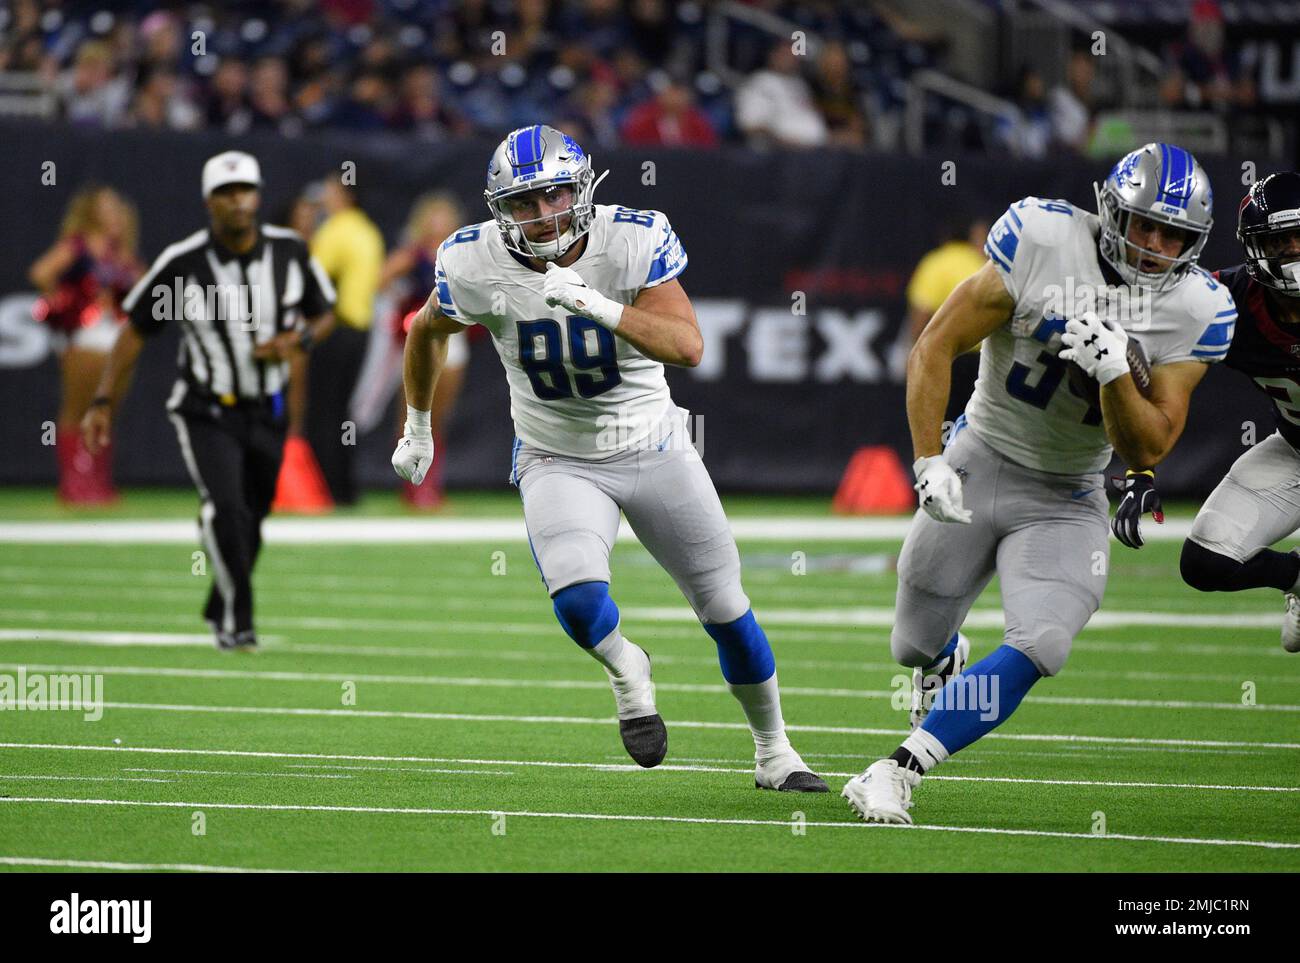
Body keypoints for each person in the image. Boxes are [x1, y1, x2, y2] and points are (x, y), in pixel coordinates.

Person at [392, 124, 827, 791]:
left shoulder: (633, 238)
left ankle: (775, 750)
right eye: (523, 203)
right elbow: (425, 331)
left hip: (652, 444)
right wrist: (419, 425)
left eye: (555, 195)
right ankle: (628, 667)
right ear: (498, 209)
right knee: (577, 597)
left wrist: (599, 306)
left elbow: (687, 345)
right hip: (555, 453)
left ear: (583, 188)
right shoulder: (472, 261)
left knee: (725, 606)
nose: (542, 216)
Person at [842, 143, 1237, 823]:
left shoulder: (1196, 307)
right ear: (1111, 210)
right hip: (983, 453)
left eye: (1174, 235)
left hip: (1069, 492)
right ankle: (943, 657)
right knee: (910, 642)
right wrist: (928, 458)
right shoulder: (1041, 237)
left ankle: (898, 768)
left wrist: (1116, 372)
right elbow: (935, 344)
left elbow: (1150, 443)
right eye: (1143, 224)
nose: (1154, 246)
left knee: (1043, 640)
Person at [81, 151, 335, 650]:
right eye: (226, 193)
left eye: (245, 191)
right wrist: (104, 399)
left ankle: (220, 597)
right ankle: (237, 620)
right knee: (227, 508)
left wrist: (297, 341)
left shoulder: (288, 252)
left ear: (258, 196)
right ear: (208, 201)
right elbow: (134, 333)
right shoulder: (185, 263)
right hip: (206, 408)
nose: (238, 202)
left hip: (268, 404)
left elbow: (324, 311)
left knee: (255, 514)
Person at [1179, 171, 1300, 654]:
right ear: (1255, 249)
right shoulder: (1224, 303)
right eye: (1281, 240)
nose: (1294, 250)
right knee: (1204, 562)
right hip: (1293, 451)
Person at [29, 186, 142, 504]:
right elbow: (41, 272)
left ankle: (98, 480)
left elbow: (146, 285)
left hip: (117, 337)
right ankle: (74, 481)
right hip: (86, 336)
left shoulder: (124, 252)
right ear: (91, 211)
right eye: (105, 207)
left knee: (107, 409)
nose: (113, 213)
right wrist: (68, 303)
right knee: (77, 408)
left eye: (116, 207)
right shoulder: (78, 245)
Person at [379, 192, 471, 508]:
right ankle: (411, 486)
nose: (439, 223)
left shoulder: (461, 254)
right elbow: (381, 279)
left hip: (453, 339)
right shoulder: (414, 254)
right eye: (433, 217)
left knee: (439, 417)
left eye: (444, 217)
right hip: (419, 338)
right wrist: (403, 305)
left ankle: (431, 484)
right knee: (412, 413)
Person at [307, 178, 385, 506]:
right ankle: (344, 489)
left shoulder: (335, 230)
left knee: (323, 412)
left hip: (334, 329)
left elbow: (313, 279)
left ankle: (324, 488)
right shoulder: (368, 231)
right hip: (361, 330)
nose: (325, 197)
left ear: (345, 196)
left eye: (331, 191)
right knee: (343, 412)